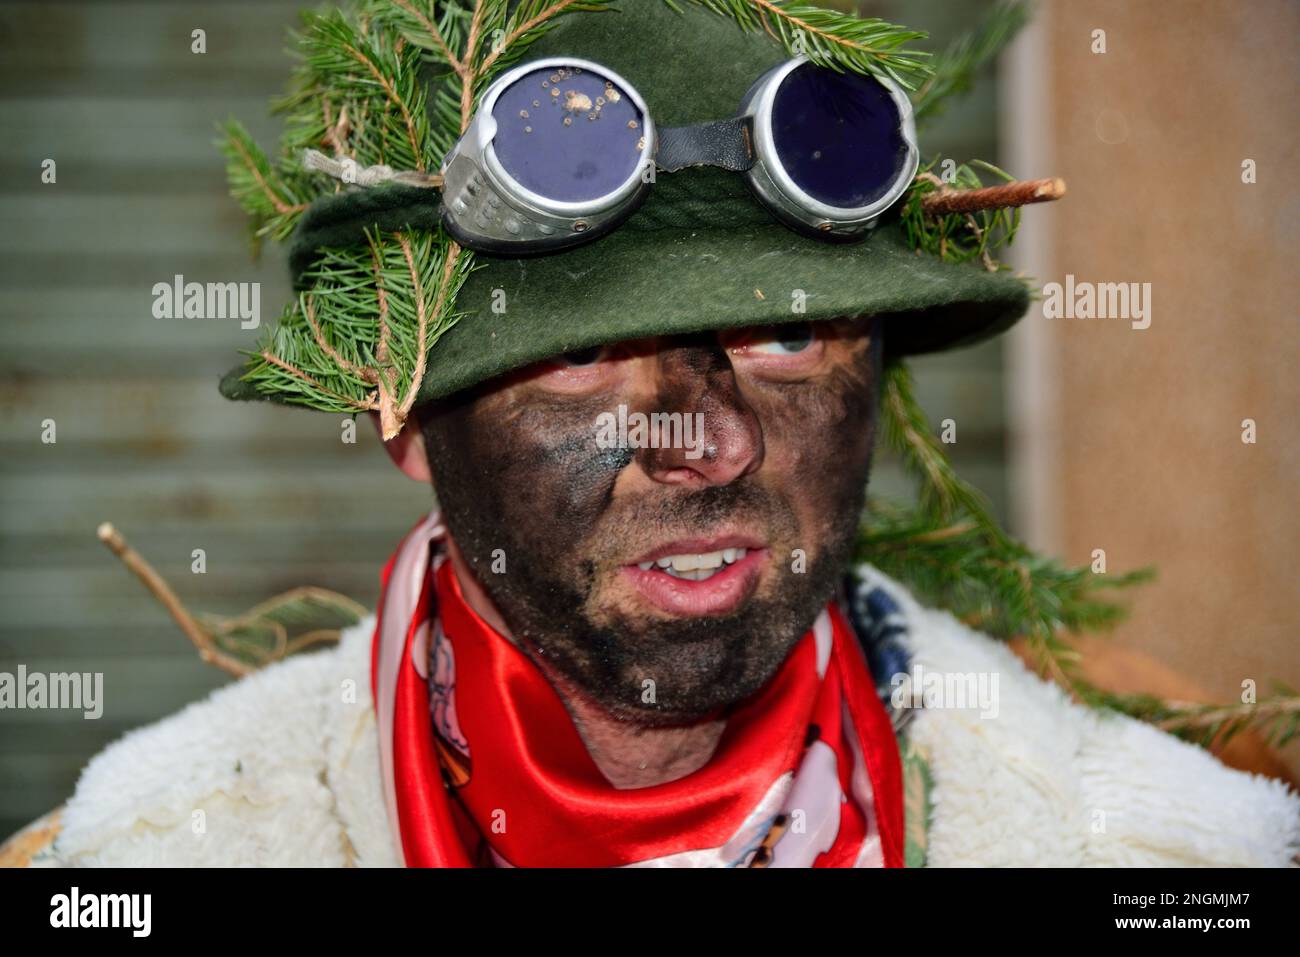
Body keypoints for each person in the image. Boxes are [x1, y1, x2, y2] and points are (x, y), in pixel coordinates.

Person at [10, 0, 1297, 868]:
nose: (711, 442)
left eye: (785, 342)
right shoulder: (151, 852)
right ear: (401, 423)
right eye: (577, 358)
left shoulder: (1161, 854)